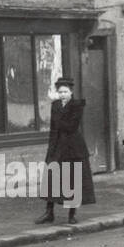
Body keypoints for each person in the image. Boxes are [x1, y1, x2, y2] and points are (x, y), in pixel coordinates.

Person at [34, 77, 95, 225]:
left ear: (71, 92)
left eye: (65, 92)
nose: (62, 95)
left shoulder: (77, 106)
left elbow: (70, 127)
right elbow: (53, 129)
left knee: (73, 180)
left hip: (74, 148)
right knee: (51, 179)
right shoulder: (55, 105)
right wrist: (51, 148)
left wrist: (59, 118)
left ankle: (71, 214)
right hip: (58, 146)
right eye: (60, 92)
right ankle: (49, 212)